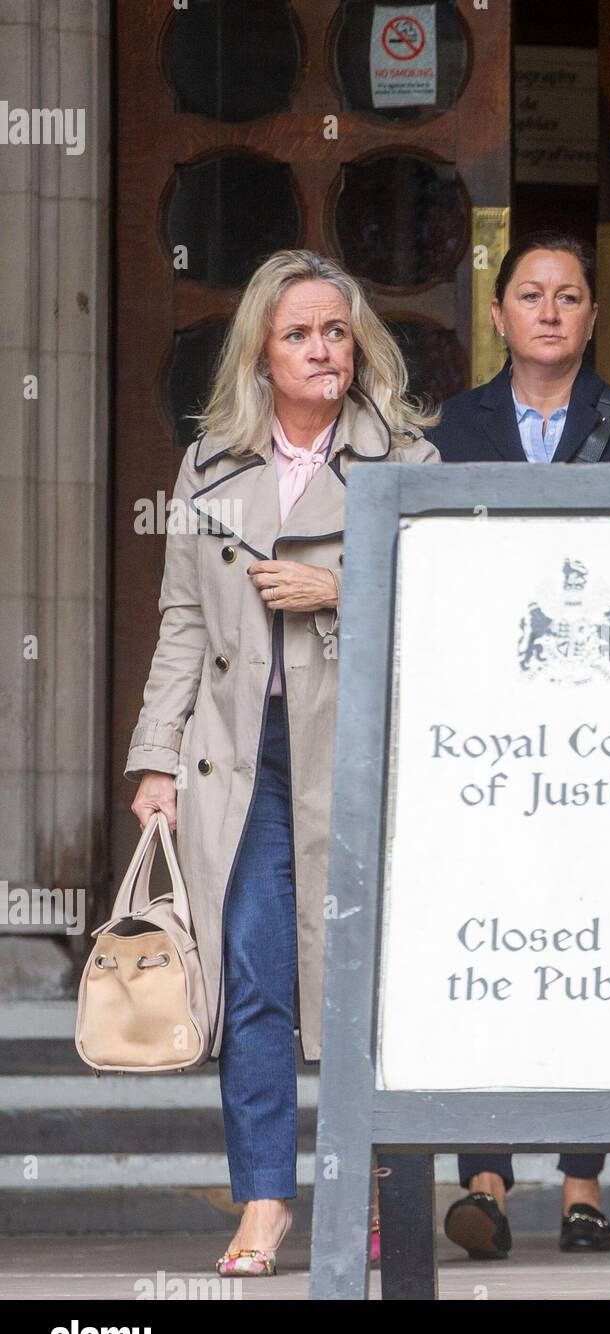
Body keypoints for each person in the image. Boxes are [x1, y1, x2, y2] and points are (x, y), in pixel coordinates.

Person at [126, 249, 439, 1275]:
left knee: (364, 982)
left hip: (358, 760)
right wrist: (155, 760)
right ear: (261, 347)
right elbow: (181, 620)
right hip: (237, 762)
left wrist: (338, 591)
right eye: (299, 331)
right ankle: (263, 1200)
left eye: (337, 331)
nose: (321, 349)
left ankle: (373, 1201)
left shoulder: (407, 459)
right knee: (256, 976)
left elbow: (450, 599)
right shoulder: (209, 464)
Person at [425, 230, 610, 1260]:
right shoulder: (446, 430)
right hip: (483, 743)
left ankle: (582, 1182)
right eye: (529, 294)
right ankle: (484, 1178)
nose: (549, 310)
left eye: (570, 296)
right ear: (496, 314)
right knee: (485, 948)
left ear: (593, 319)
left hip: (605, 742)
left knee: (589, 949)